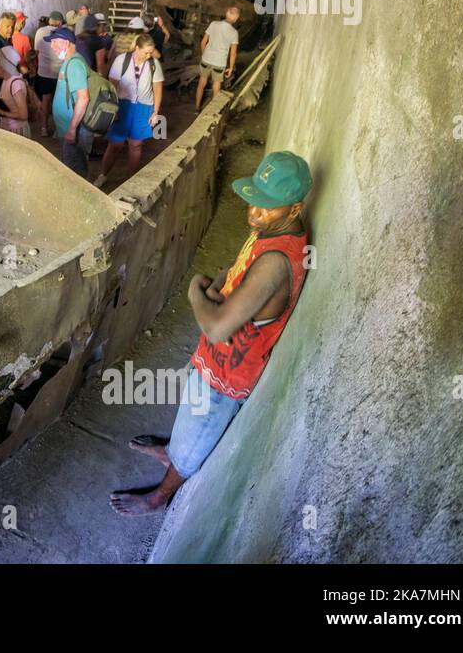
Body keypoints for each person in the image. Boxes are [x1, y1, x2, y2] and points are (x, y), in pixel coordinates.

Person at [111, 152, 313, 515]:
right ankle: (169, 452)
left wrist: (194, 292)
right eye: (255, 202)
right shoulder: (272, 231)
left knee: (194, 443)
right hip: (215, 362)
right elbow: (238, 270)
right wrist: (221, 282)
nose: (254, 214)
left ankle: (160, 495)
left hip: (227, 376)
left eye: (267, 209)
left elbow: (217, 328)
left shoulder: (275, 264)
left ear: (294, 210)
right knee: (189, 415)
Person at [96, 34, 164, 187]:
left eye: (151, 52)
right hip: (122, 105)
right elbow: (112, 85)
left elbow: (157, 89)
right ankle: (103, 175)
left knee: (136, 144)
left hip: (143, 106)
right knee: (115, 144)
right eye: (146, 52)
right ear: (137, 48)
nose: (148, 55)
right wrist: (113, 107)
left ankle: (130, 180)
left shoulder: (154, 64)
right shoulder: (122, 60)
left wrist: (156, 112)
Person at [48, 27, 95, 179]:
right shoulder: (70, 62)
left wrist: (72, 129)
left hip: (75, 130)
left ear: (67, 43)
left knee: (75, 174)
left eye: (55, 42)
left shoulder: (74, 64)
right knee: (72, 168)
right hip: (69, 128)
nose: (52, 46)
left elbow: (83, 98)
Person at [195, 6, 240, 111]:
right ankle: (213, 111)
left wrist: (204, 55)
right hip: (219, 63)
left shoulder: (213, 24)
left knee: (201, 83)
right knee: (216, 86)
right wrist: (231, 68)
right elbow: (233, 54)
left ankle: (197, 108)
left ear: (226, 13)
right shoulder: (234, 33)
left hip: (206, 59)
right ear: (236, 18)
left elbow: (203, 42)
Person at [0, 45, 32, 137]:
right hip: (8, 129)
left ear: (5, 65)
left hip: (17, 132)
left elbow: (23, 115)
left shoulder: (16, 84)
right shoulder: (6, 79)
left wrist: (0, 112)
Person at [32, 11, 64, 137]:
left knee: (46, 100)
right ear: (60, 22)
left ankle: (44, 128)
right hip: (59, 73)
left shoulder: (40, 31)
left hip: (44, 72)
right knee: (58, 102)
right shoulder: (64, 32)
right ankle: (57, 130)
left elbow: (36, 50)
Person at [10, 12, 34, 78]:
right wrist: (34, 56)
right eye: (24, 21)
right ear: (22, 23)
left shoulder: (8, 36)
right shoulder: (24, 38)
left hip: (10, 70)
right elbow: (27, 59)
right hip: (22, 71)